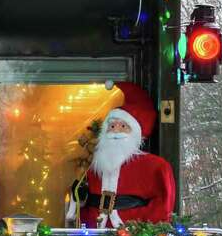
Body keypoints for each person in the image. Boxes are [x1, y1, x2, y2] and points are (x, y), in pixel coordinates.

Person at [66, 81, 175, 228]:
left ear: (135, 133)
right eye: (111, 126)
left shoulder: (155, 166)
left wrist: (146, 233)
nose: (115, 131)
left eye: (123, 126)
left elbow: (163, 206)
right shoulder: (94, 168)